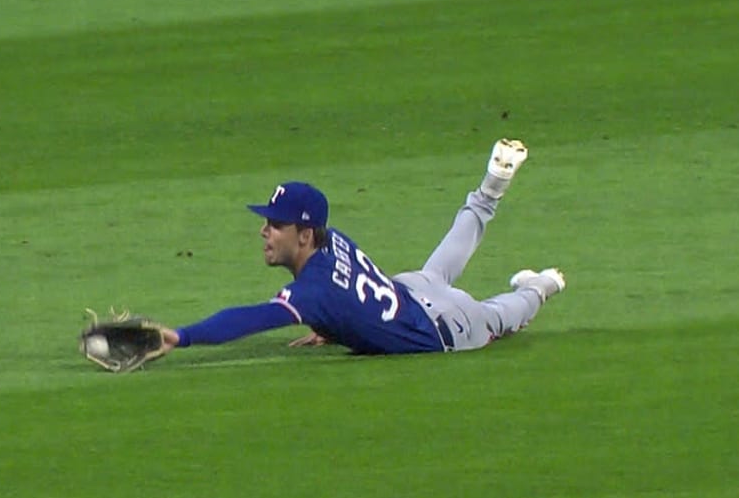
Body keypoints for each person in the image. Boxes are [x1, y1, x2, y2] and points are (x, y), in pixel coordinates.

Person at [158, 139, 565, 355]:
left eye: (276, 224)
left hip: (442, 327)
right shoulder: (335, 240)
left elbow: (250, 319)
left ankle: (542, 286)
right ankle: (489, 190)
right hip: (410, 291)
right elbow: (352, 298)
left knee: (496, 317)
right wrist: (335, 326)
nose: (265, 231)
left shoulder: (313, 294)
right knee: (439, 270)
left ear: (304, 234)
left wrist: (181, 336)